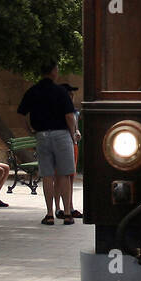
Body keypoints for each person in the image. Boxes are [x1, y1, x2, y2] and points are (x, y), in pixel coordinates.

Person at [17, 61, 79, 226]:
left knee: (47, 175)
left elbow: (21, 113)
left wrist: (30, 130)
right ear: (53, 72)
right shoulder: (60, 91)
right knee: (65, 174)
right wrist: (73, 134)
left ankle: (49, 213)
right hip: (61, 134)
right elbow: (69, 116)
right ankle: (67, 213)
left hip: (41, 135)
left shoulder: (33, 91)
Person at [54, 83, 82, 222]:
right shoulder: (58, 108)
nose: (72, 96)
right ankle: (59, 207)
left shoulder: (73, 110)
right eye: (69, 93)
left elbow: (74, 125)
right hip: (64, 143)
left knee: (70, 177)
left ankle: (69, 206)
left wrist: (76, 132)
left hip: (72, 144)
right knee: (60, 177)